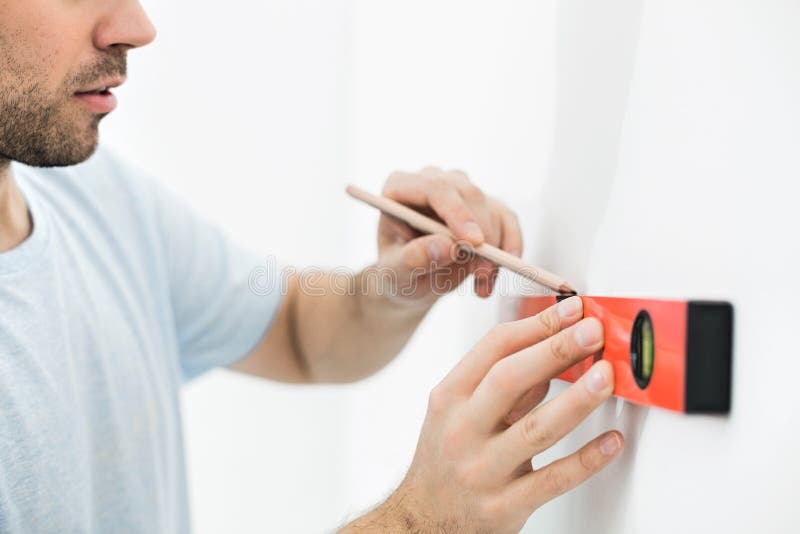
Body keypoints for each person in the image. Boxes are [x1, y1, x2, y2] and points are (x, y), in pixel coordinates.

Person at [0, 1, 623, 532]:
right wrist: (419, 521)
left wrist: (393, 289)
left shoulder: (91, 196)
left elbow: (298, 335)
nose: (137, 25)